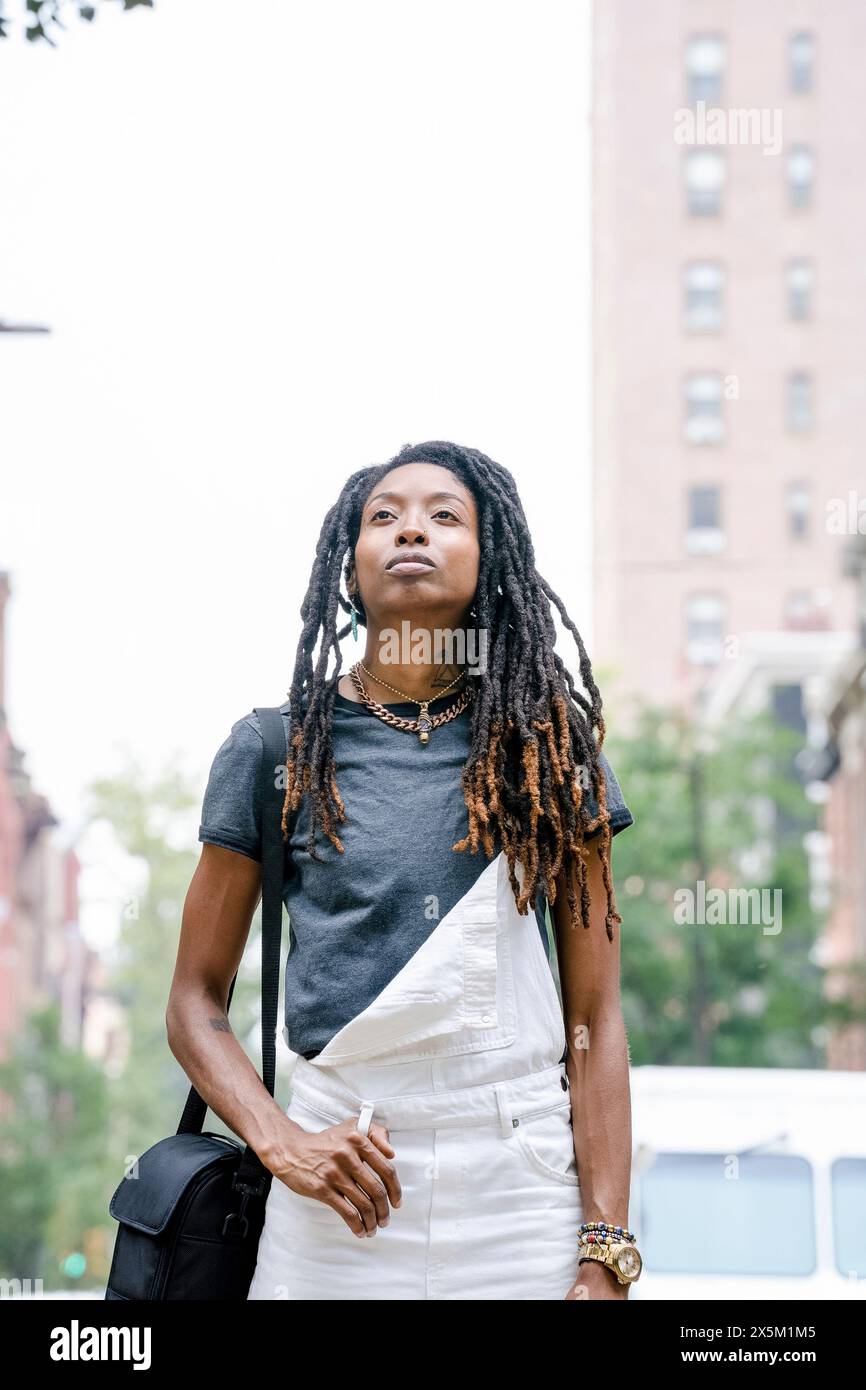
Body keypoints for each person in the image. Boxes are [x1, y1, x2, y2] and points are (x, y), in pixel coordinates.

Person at [167, 439, 638, 1301]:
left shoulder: (550, 750)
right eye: (383, 516)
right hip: (333, 1197)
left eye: (443, 515)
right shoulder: (276, 751)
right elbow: (195, 1003)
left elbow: (595, 1018)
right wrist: (280, 1141)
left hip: (520, 1194)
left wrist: (605, 1250)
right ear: (350, 569)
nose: (410, 530)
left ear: (489, 558)